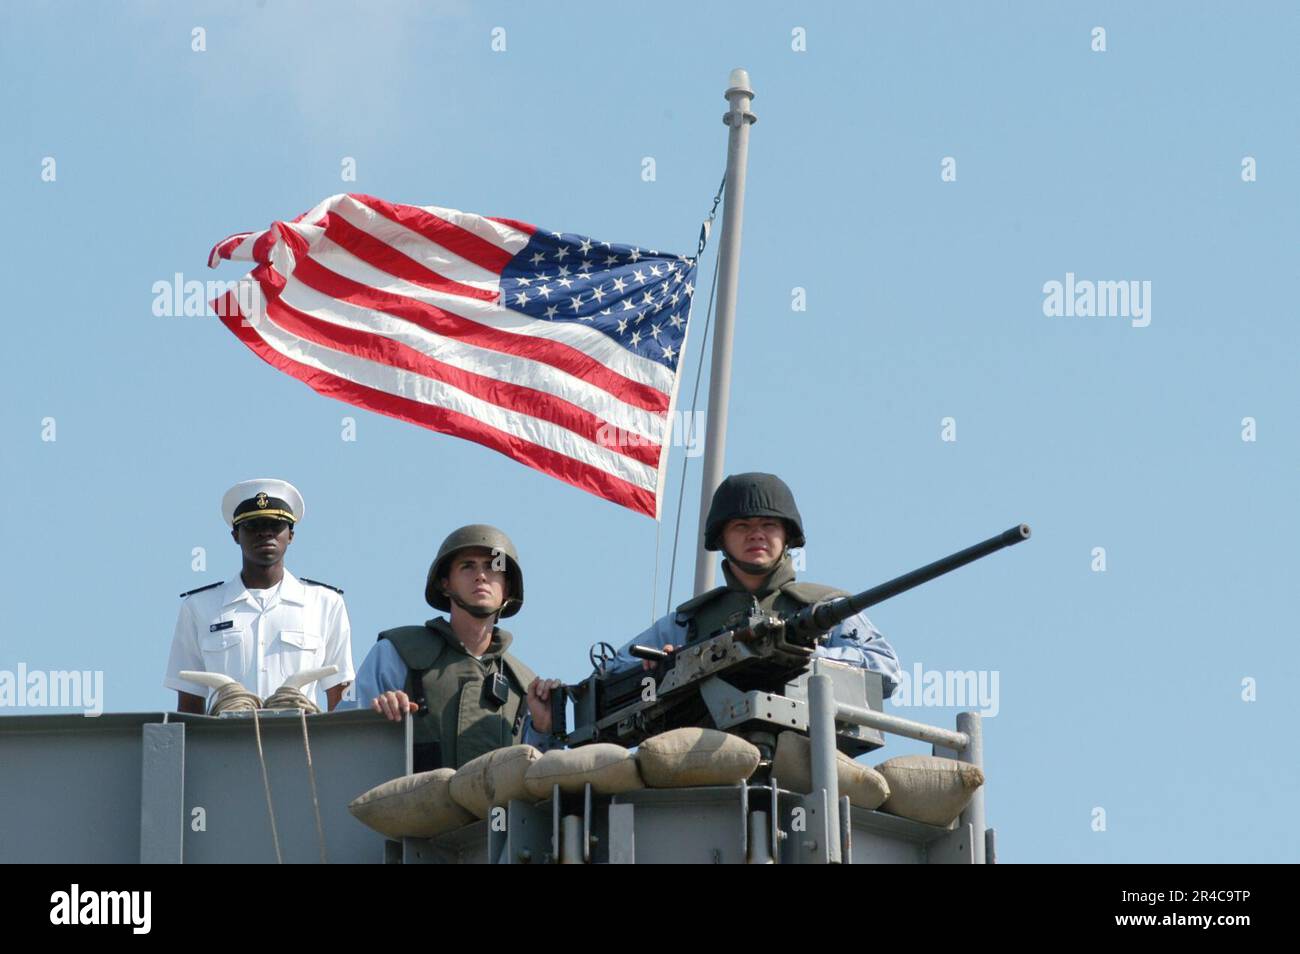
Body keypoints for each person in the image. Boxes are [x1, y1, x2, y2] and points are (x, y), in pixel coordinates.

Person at [611, 473, 900, 695]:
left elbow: (885, 671)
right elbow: (610, 671)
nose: (756, 535)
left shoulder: (824, 608)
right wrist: (662, 669)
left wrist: (803, 655)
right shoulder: (689, 622)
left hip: (804, 755)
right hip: (710, 759)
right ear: (721, 539)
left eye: (769, 525)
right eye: (742, 526)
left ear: (787, 536)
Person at [343, 525, 562, 771]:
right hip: (412, 808)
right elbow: (341, 739)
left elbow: (539, 781)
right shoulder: (399, 652)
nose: (481, 576)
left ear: (507, 588)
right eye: (467, 566)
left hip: (496, 810)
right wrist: (378, 716)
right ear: (445, 583)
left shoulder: (525, 686)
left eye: (493, 567)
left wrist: (543, 729)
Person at [163, 478, 355, 714]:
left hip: (302, 743)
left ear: (291, 535)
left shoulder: (325, 604)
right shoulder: (199, 608)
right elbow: (189, 705)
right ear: (235, 535)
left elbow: (341, 697)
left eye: (275, 525)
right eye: (253, 526)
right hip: (227, 745)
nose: (265, 533)